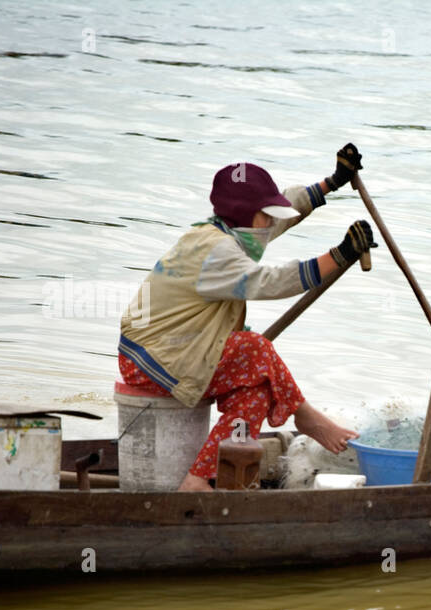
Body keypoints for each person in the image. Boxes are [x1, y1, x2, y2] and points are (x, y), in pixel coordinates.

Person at [117, 146, 378, 491]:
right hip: (154, 360)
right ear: (244, 214)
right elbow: (269, 282)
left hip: (177, 352)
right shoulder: (216, 251)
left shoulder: (230, 233)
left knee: (257, 393)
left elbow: (284, 210)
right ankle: (305, 416)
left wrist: (333, 182)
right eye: (265, 216)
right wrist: (339, 255)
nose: (270, 224)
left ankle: (200, 481)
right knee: (255, 348)